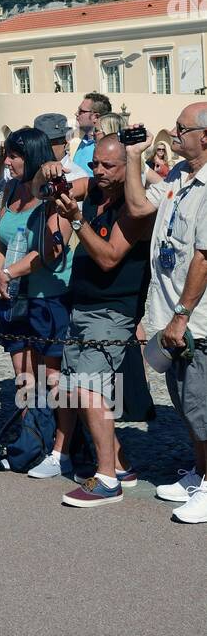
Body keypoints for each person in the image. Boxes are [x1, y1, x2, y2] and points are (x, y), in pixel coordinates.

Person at [37, 135, 153, 505]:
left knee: (91, 390)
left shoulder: (136, 208)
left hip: (112, 310)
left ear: (127, 166)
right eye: (95, 165)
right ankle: (120, 466)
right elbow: (44, 190)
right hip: (83, 305)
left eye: (108, 166)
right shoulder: (92, 188)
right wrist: (48, 173)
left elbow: (107, 258)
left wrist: (76, 219)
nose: (98, 172)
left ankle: (105, 480)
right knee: (78, 386)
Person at [122, 107, 207, 523]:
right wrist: (134, 157)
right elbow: (138, 207)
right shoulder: (177, 176)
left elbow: (205, 259)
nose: (174, 134)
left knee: (201, 405)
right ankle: (201, 473)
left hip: (194, 320)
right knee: (185, 403)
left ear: (205, 137)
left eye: (182, 129)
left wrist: (181, 315)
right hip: (169, 314)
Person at [0, 127, 74, 429]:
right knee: (23, 375)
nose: (8, 163)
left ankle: (65, 445)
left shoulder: (52, 193)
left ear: (32, 157)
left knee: (52, 378)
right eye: (7, 155)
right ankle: (32, 437)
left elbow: (50, 252)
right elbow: (2, 238)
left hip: (46, 297)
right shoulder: (11, 190)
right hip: (13, 297)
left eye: (14, 157)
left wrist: (8, 273)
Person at [73, 92, 112, 171]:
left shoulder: (107, 147)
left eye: (81, 111)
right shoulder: (83, 141)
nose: (76, 114)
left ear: (96, 117)